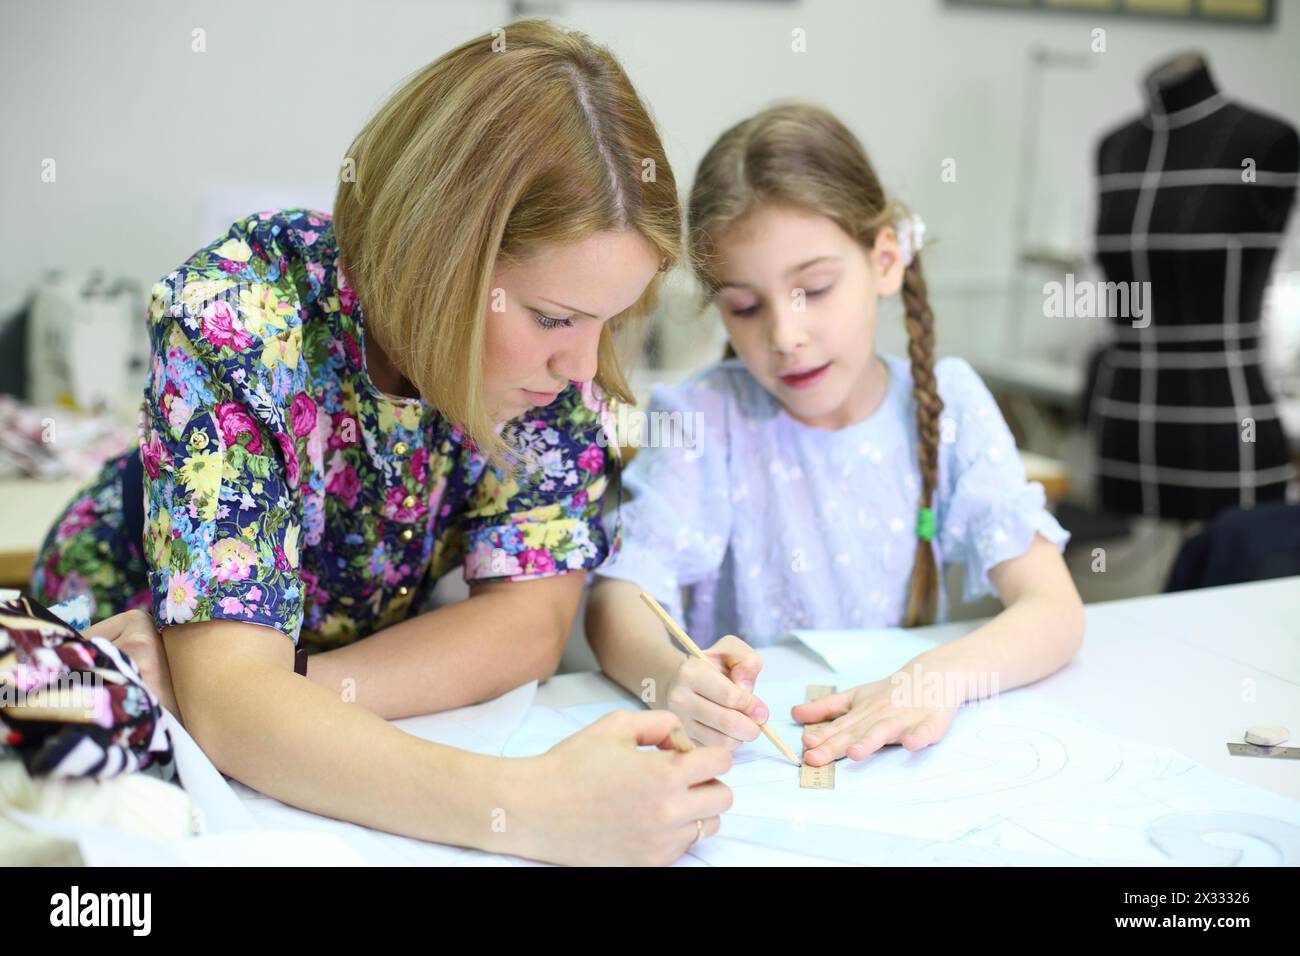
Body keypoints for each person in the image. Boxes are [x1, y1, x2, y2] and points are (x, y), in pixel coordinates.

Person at [29, 19, 730, 867]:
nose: (581, 363)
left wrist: (278, 699)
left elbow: (527, 625)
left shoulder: (552, 368)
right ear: (442, 258)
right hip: (116, 675)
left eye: (604, 323)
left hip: (284, 684)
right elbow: (226, 710)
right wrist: (531, 806)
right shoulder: (245, 315)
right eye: (552, 318)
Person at [587, 102, 1085, 768]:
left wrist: (931, 681)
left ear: (884, 261)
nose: (784, 336)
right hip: (765, 760)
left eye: (814, 289)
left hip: (901, 758)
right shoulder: (703, 418)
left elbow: (1054, 610)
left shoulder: (952, 401)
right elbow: (619, 601)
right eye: (744, 305)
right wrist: (673, 678)